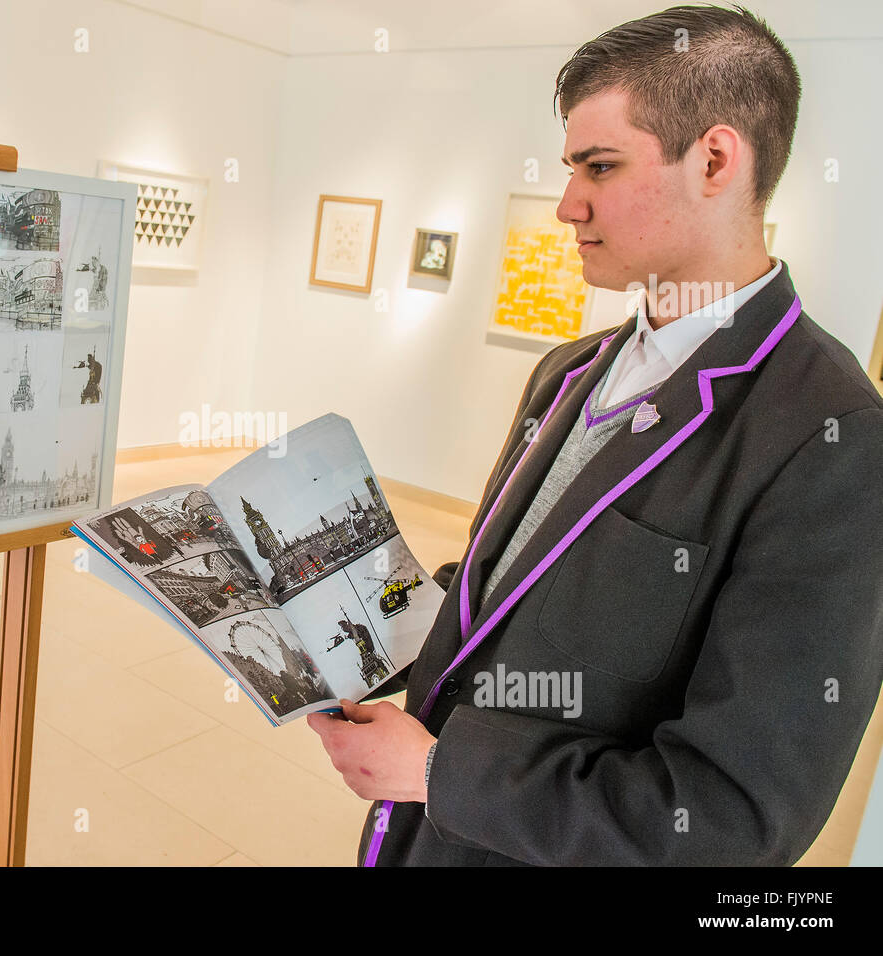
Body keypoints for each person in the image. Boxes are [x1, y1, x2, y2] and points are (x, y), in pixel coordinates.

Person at [308, 3, 883, 866]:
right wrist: (329, 623)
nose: (566, 206)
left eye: (600, 167)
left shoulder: (830, 437)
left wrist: (440, 774)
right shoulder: (570, 369)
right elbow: (502, 592)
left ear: (717, 159)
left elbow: (730, 818)